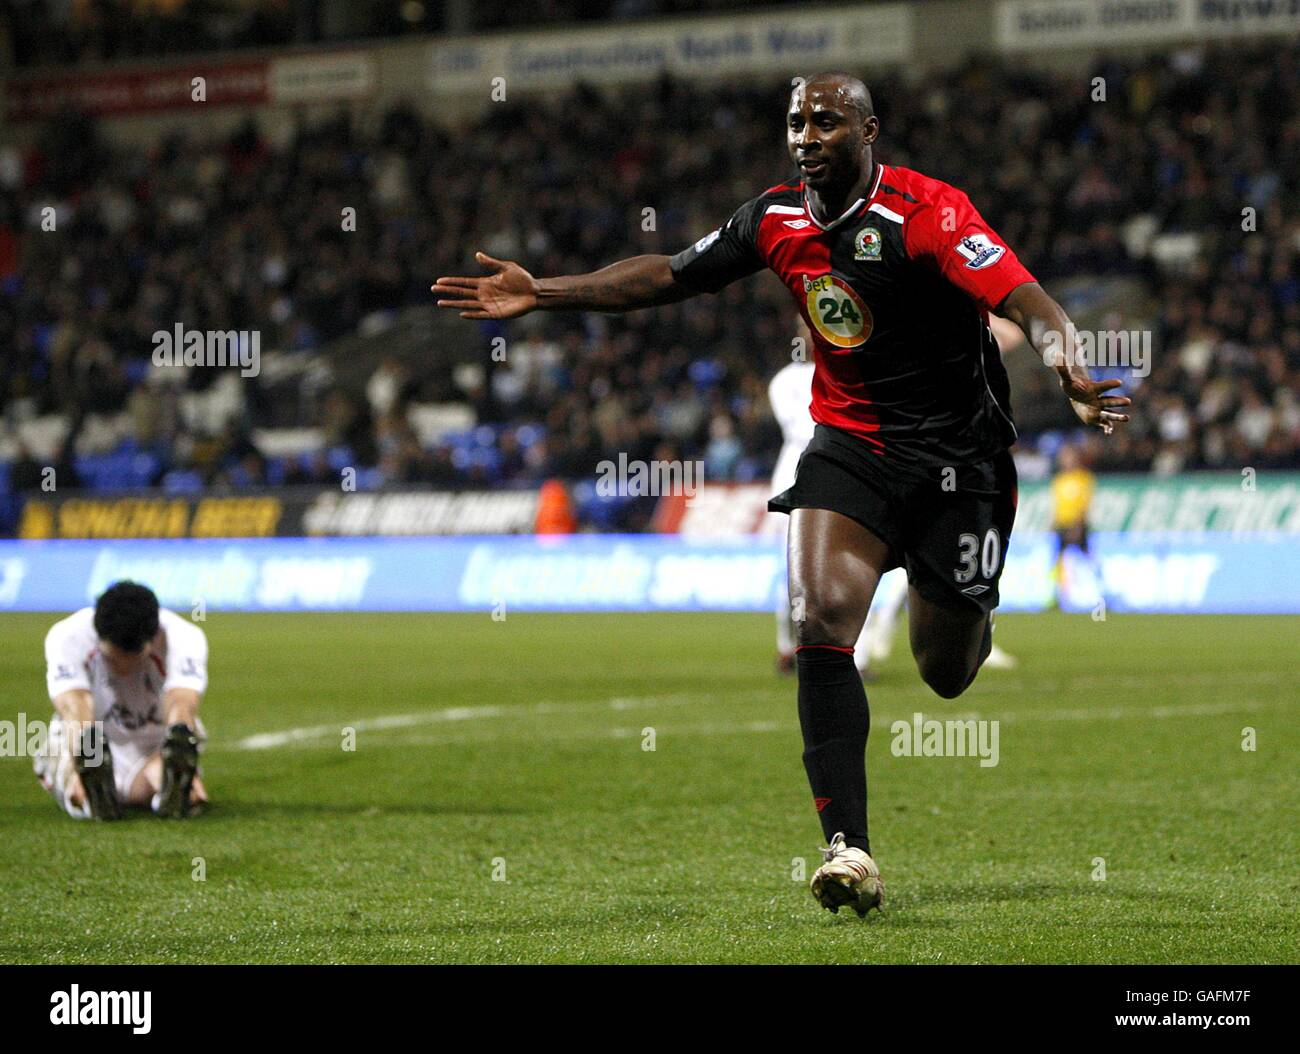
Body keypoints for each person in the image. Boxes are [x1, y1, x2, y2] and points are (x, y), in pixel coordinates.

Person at [433, 73, 1130, 915]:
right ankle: (850, 849)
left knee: (946, 671)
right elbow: (669, 273)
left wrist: (1071, 369)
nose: (806, 135)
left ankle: (968, 608)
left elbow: (1026, 298)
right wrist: (544, 291)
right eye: (797, 121)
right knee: (819, 622)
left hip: (959, 462)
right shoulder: (773, 219)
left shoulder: (930, 213)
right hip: (852, 447)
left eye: (827, 122)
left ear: (869, 130)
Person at [38, 581, 209, 820]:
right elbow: (74, 706)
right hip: (91, 734)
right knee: (75, 782)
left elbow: (181, 702)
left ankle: (169, 785)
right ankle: (93, 790)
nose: (125, 668)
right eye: (114, 660)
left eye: (134, 658)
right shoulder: (67, 636)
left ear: (155, 636)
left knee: (167, 760)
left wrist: (179, 736)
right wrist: (84, 759)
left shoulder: (184, 637)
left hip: (153, 740)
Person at [1049, 443, 1099, 608]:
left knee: (1087, 558)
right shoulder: (1059, 479)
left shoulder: (1084, 478)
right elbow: (1057, 504)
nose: (1066, 460)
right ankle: (1059, 595)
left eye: (1069, 456)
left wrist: (1078, 526)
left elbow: (1084, 504)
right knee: (1059, 561)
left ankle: (1100, 593)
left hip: (1078, 525)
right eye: (1063, 457)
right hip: (1061, 525)